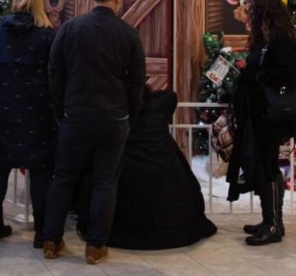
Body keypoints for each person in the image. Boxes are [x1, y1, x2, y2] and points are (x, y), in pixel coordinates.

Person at [41, 0, 146, 266]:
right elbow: (137, 81)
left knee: (62, 178)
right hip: (114, 119)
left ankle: (51, 240)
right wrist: (130, 115)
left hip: (75, 116)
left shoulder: (71, 28)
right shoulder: (128, 33)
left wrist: (61, 109)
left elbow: (54, 71)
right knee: (104, 183)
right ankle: (95, 246)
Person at [77, 86, 217, 250]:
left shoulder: (120, 114)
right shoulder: (159, 108)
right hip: (166, 180)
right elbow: (170, 94)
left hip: (128, 175)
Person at [0, 0, 57, 246]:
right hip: (38, 113)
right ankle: (42, 233)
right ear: (38, 3)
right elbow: (57, 69)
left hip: (1, 111)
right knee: (41, 171)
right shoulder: (47, 34)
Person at [227, 0, 296, 247]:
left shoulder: (280, 40)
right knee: (265, 164)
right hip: (264, 113)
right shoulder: (270, 39)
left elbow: (286, 74)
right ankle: (272, 220)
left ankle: (272, 224)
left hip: (272, 115)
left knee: (267, 166)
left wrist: (256, 76)